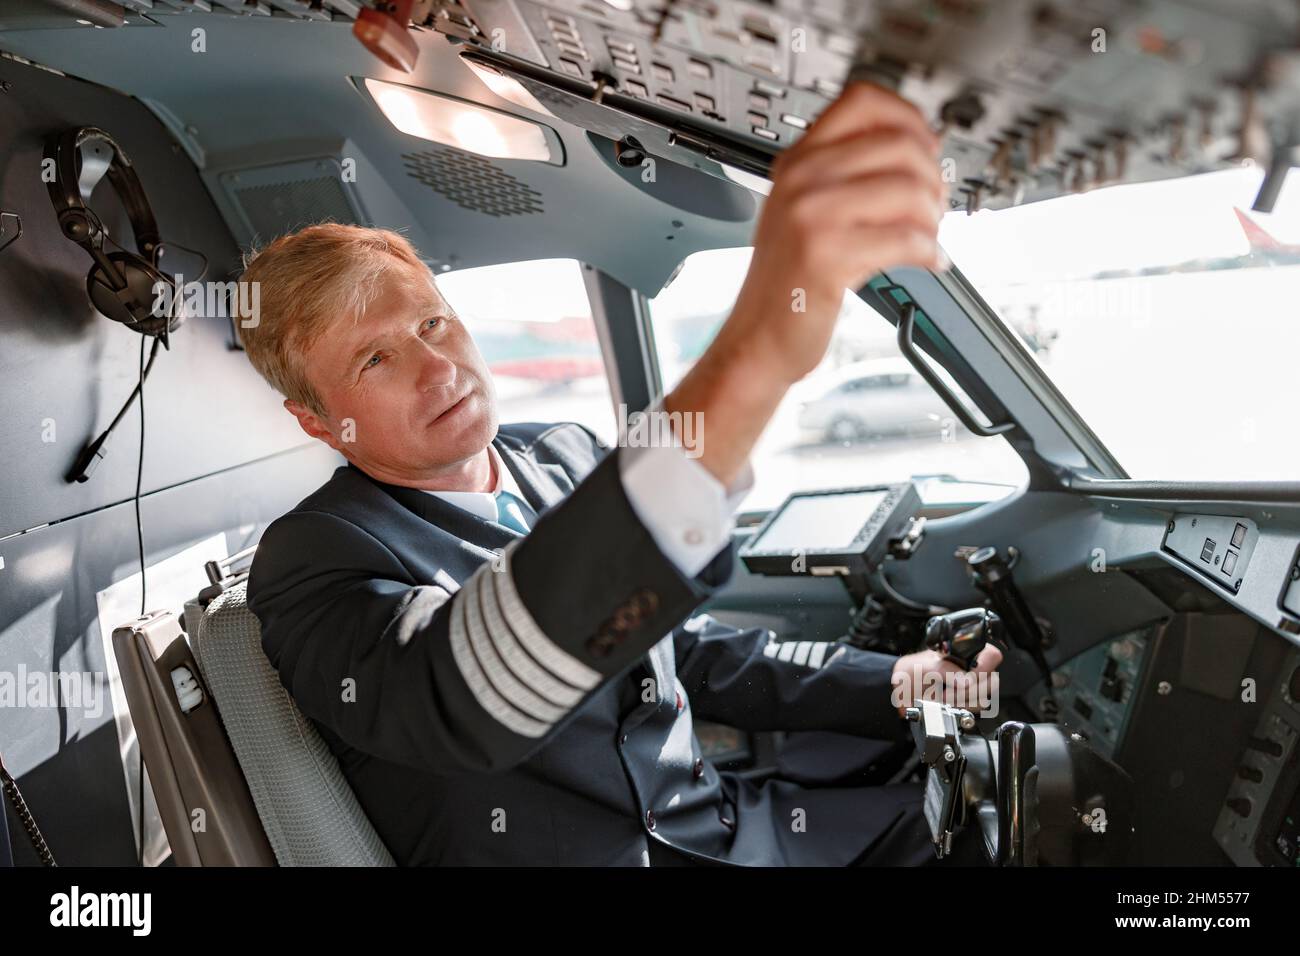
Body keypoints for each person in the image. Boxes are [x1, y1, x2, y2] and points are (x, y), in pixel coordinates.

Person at [239, 82, 1001, 865]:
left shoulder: (560, 455)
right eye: (375, 358)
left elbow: (689, 650)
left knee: (996, 818)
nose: (438, 369)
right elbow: (463, 692)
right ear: (318, 420)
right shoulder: (315, 556)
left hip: (721, 830)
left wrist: (900, 683)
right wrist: (760, 350)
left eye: (433, 323)